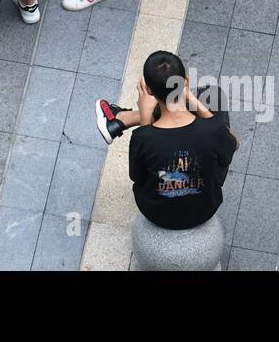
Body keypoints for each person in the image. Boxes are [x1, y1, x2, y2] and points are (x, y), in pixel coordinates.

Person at [96, 51, 237, 271]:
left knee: (173, 116)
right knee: (212, 97)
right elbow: (233, 144)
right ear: (186, 81)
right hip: (203, 209)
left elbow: (139, 177)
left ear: (149, 91)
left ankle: (121, 119)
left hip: (156, 214)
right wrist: (192, 99)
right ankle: (122, 119)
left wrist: (144, 118)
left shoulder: (144, 137)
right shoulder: (214, 131)